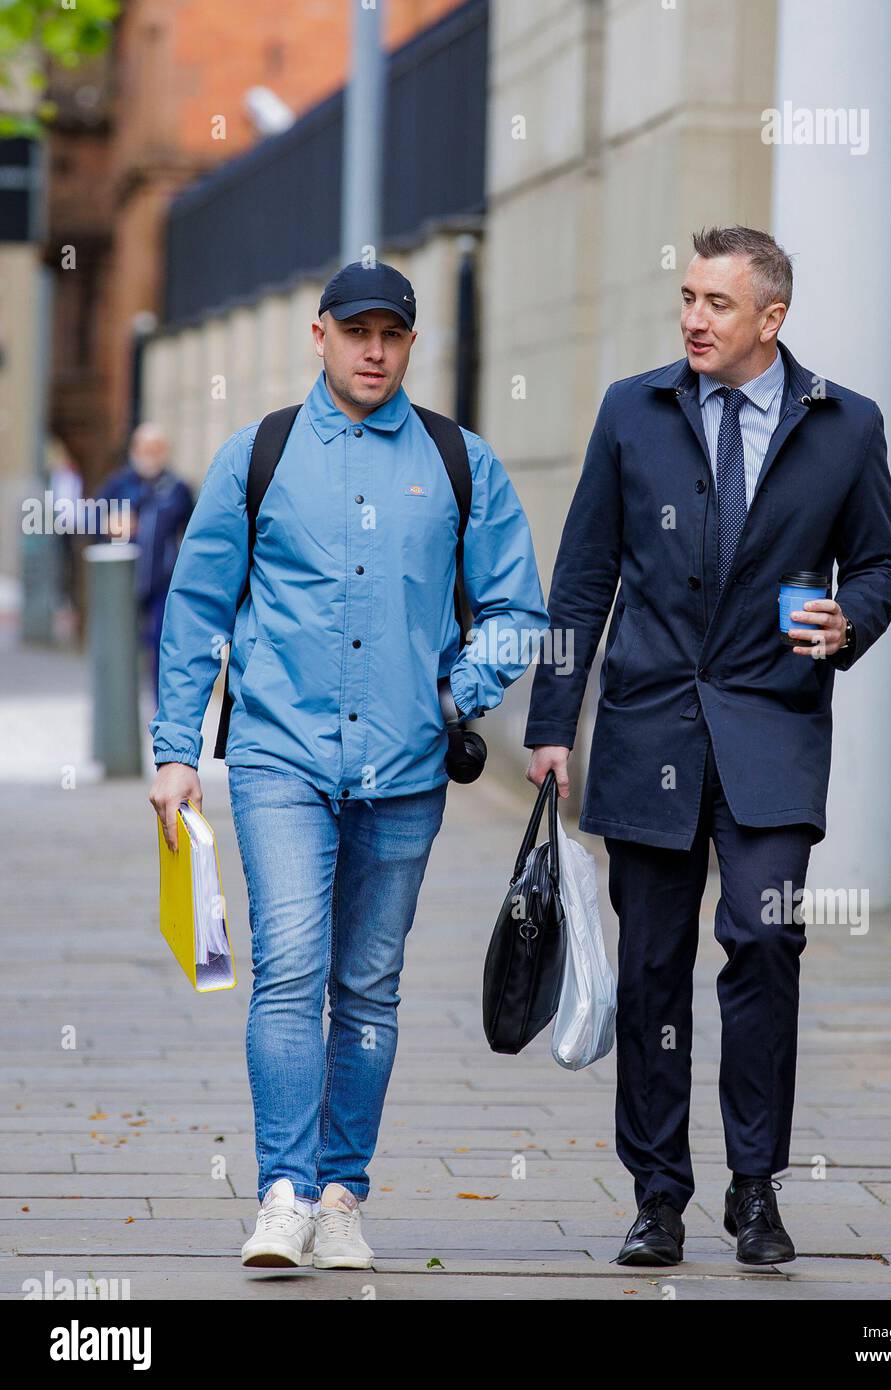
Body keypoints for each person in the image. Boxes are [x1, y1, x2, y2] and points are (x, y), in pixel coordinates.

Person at [148, 261, 548, 1270]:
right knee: (288, 968)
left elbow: (515, 608)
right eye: (356, 331)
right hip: (279, 758)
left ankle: (340, 1196)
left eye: (393, 334)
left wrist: (457, 693)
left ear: (410, 345)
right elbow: (196, 607)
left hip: (405, 773)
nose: (373, 350)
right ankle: (280, 1193)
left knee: (367, 985)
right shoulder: (260, 455)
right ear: (318, 334)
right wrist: (174, 752)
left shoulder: (459, 462)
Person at [524, 226, 891, 1267]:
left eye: (715, 304)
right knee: (652, 967)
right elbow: (581, 578)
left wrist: (847, 620)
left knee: (764, 941)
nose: (692, 318)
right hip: (647, 729)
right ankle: (656, 1193)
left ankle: (753, 1186)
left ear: (768, 320)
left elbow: (878, 564)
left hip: (772, 732)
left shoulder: (843, 425)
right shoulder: (631, 411)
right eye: (686, 297)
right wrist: (553, 725)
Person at [98, 424, 194, 704]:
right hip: (122, 581)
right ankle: (117, 709)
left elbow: (193, 531)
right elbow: (90, 518)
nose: (149, 456)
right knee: (119, 647)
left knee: (161, 646)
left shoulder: (178, 489)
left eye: (156, 451)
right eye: (144, 450)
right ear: (134, 451)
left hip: (163, 580)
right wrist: (109, 524)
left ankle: (159, 707)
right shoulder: (118, 484)